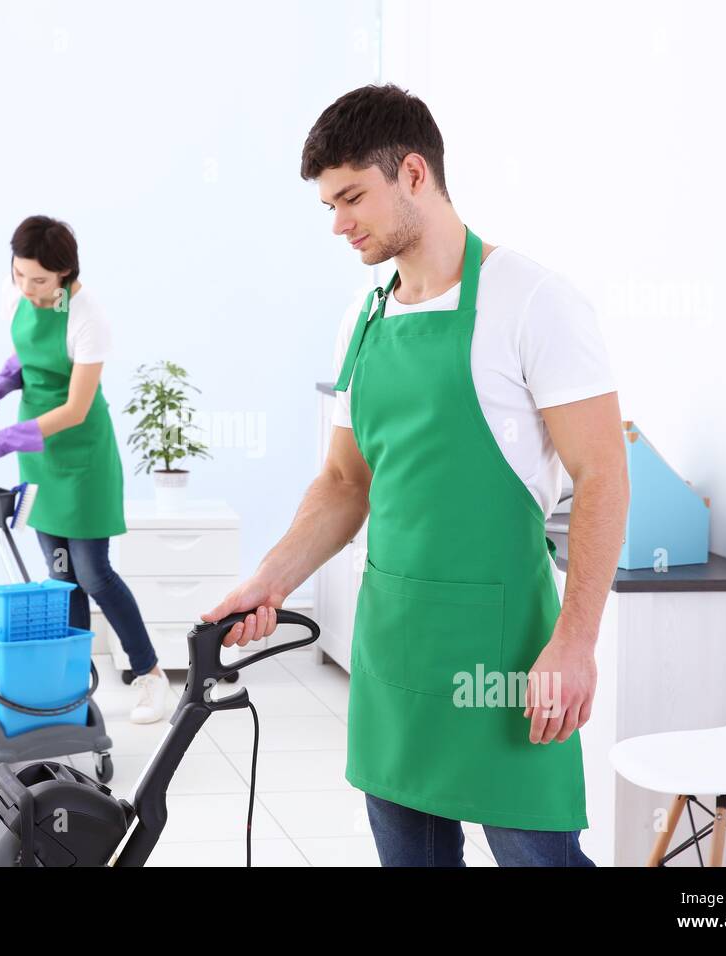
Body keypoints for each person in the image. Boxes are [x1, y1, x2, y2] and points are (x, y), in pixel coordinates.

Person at [203, 85, 629, 866]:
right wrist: (270, 580)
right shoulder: (360, 321)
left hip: (502, 661)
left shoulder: (533, 300)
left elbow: (603, 473)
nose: (338, 223)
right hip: (394, 656)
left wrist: (574, 644)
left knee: (540, 858)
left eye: (352, 197)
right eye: (329, 205)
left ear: (413, 173)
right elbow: (343, 484)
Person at [0, 215, 171, 723]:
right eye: (19, 275)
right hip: (39, 454)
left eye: (39, 281)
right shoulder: (18, 295)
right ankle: (73, 688)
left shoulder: (88, 316)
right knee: (61, 579)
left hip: (81, 459)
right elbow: (29, 354)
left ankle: (151, 675)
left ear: (66, 275)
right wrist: (7, 379)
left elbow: (75, 406)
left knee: (94, 575)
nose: (27, 289)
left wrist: (2, 439)